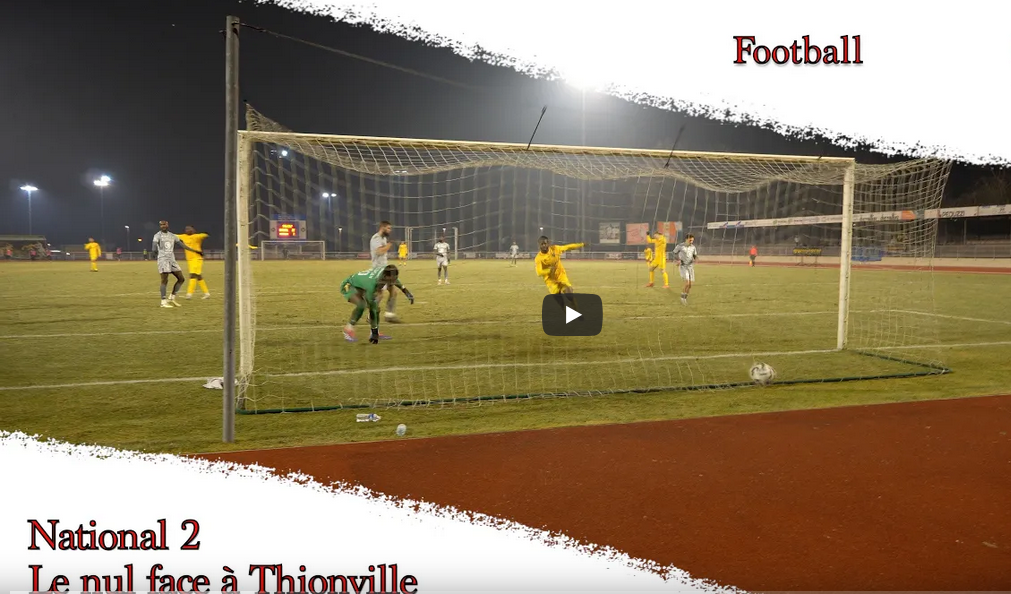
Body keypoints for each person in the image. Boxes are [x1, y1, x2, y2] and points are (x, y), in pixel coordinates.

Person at [340, 265, 414, 344]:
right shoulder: (371, 284)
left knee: (376, 309)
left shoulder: (386, 274)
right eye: (390, 280)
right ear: (385, 276)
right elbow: (372, 308)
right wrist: (374, 330)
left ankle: (375, 333)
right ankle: (348, 329)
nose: (392, 282)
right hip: (349, 285)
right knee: (362, 305)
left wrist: (407, 292)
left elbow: (396, 280)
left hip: (361, 285)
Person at [152, 220, 203, 308]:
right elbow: (154, 246)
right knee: (164, 280)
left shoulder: (173, 236)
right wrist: (156, 253)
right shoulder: (157, 235)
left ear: (167, 225)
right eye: (161, 225)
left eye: (164, 224)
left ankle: (172, 297)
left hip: (172, 260)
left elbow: (182, 245)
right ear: (160, 226)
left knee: (181, 279)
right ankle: (163, 302)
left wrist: (195, 251)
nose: (163, 226)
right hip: (163, 260)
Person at [369, 220, 400, 321]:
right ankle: (371, 315)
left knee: (393, 292)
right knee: (380, 294)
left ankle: (389, 315)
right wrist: (390, 244)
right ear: (382, 227)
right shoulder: (376, 238)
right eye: (388, 228)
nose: (390, 230)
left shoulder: (383, 239)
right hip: (378, 271)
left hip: (385, 270)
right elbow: (379, 251)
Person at [179, 225, 210, 299]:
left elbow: (205, 235)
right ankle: (206, 293)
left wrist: (204, 234)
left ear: (193, 230)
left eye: (189, 229)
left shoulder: (197, 236)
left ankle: (189, 294)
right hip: (190, 260)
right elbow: (173, 236)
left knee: (192, 275)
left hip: (197, 259)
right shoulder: (183, 236)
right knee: (198, 276)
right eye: (186, 229)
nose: (187, 230)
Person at [671, 234, 699, 305]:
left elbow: (694, 255)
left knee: (690, 285)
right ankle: (682, 298)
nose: (691, 242)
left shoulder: (693, 247)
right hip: (683, 266)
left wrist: (696, 258)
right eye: (690, 240)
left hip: (690, 267)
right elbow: (673, 253)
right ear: (686, 239)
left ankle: (684, 296)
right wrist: (677, 260)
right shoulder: (680, 246)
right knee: (687, 283)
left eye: (692, 240)